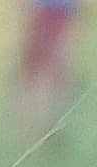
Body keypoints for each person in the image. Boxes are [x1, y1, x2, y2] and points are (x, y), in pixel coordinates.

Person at [17, 0, 81, 135]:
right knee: (44, 55)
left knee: (48, 55)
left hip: (55, 7)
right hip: (52, 7)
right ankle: (39, 118)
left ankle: (44, 119)